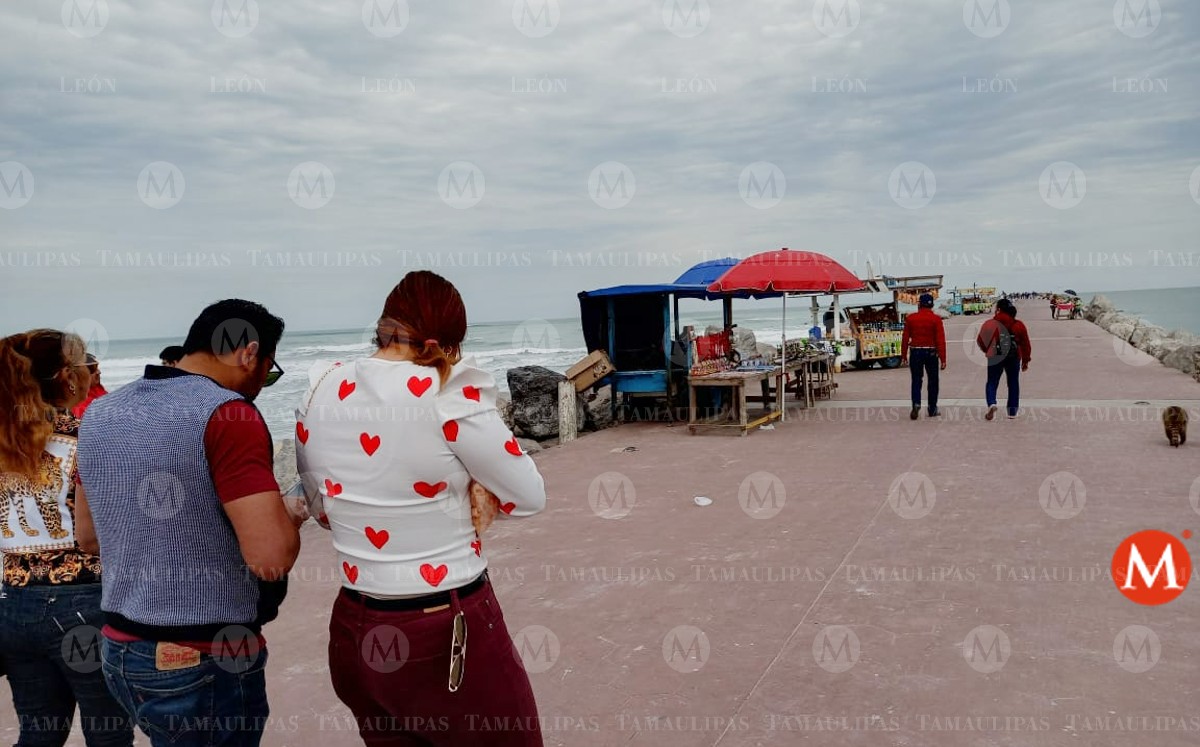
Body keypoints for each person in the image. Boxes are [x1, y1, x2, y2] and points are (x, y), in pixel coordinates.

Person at [296, 271, 547, 746]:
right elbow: (529, 496)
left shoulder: (320, 387)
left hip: (354, 628)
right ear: (451, 341)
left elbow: (321, 509)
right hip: (442, 629)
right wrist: (473, 485)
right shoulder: (449, 394)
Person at [77, 300, 301, 747]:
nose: (261, 385)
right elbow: (271, 558)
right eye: (268, 371)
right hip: (204, 655)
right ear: (249, 353)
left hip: (120, 648)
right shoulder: (228, 414)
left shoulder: (99, 413)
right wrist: (288, 515)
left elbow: (89, 537)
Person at [0, 329, 134, 747]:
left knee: (38, 734)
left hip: (14, 603)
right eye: (83, 363)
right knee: (108, 733)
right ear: (66, 376)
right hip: (86, 603)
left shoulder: (5, 440)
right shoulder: (87, 436)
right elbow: (98, 535)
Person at [977, 298, 1032, 420]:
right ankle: (1012, 412)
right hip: (1013, 356)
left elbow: (980, 340)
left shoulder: (990, 323)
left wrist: (988, 350)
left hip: (995, 355)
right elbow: (1026, 344)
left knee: (992, 381)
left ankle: (992, 403)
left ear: (999, 309)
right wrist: (1026, 360)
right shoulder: (1018, 324)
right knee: (1013, 383)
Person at [900, 293, 947, 419]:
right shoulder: (936, 319)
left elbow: (905, 338)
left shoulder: (911, 318)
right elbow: (940, 340)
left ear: (919, 304)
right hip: (931, 353)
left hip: (915, 352)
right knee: (933, 381)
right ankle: (932, 409)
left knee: (916, 380)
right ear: (932, 305)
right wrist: (943, 359)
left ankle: (916, 403)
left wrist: (903, 355)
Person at [71, 353, 108, 419]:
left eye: (97, 368)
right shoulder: (77, 404)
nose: (98, 372)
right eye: (92, 369)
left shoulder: (100, 391)